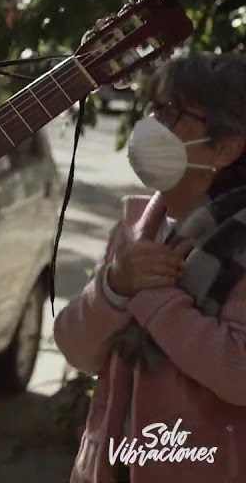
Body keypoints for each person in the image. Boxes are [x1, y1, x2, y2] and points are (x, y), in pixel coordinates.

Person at [53, 52, 246, 483]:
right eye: (155, 109)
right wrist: (115, 286)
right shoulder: (138, 228)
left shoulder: (239, 243)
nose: (151, 127)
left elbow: (239, 374)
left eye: (171, 113)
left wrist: (151, 295)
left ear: (226, 148)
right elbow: (75, 348)